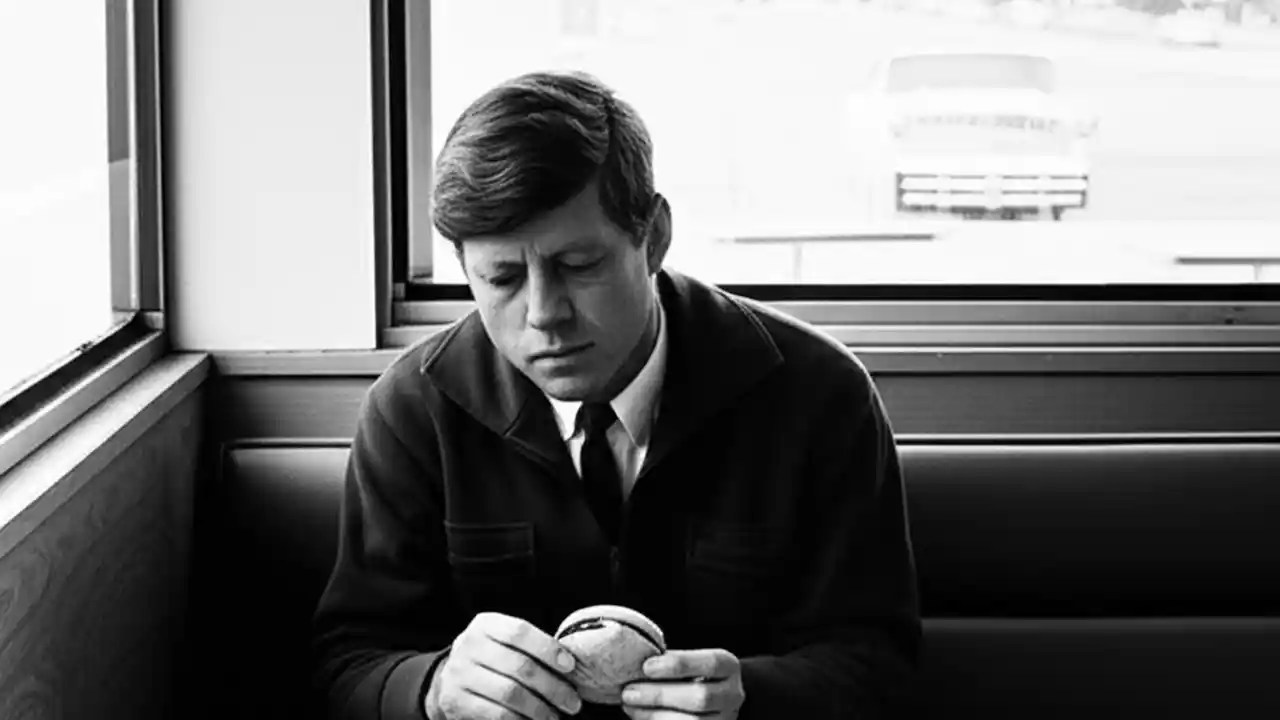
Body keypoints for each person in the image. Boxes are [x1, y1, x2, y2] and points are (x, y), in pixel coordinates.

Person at [311, 70, 921, 720]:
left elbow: (878, 661)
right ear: (466, 270)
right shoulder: (413, 410)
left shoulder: (819, 396)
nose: (544, 314)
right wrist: (431, 689)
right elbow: (347, 663)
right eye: (502, 278)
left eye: (579, 267)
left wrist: (753, 696)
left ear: (654, 236)